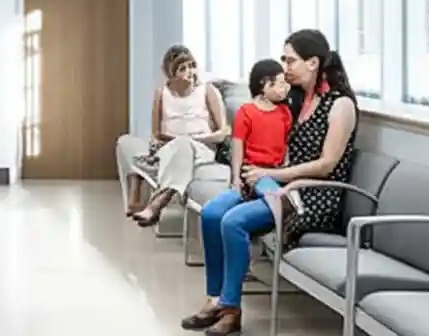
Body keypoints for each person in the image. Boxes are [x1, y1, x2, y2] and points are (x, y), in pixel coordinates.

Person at [182, 29, 358, 335]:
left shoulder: (340, 105)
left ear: (313, 62)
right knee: (212, 213)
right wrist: (247, 173)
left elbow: (327, 164)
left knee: (234, 221)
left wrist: (269, 174)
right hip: (278, 185)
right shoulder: (297, 99)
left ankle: (230, 308)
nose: (285, 67)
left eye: (291, 61)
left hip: (312, 196)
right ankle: (216, 299)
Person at [128, 45, 229, 226]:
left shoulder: (208, 90)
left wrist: (194, 139)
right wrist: (174, 141)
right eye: (182, 69)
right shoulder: (162, 93)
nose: (189, 72)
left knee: (184, 146)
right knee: (180, 148)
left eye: (192, 66)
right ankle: (154, 199)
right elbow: (156, 133)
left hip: (203, 148)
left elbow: (222, 133)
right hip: (170, 147)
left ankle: (156, 204)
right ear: (171, 74)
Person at [230, 59, 293, 202]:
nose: (286, 88)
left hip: (275, 172)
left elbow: (287, 143)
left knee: (272, 195)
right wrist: (235, 178)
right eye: (281, 84)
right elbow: (237, 146)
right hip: (251, 170)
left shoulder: (285, 112)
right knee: (211, 211)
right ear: (264, 84)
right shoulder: (246, 111)